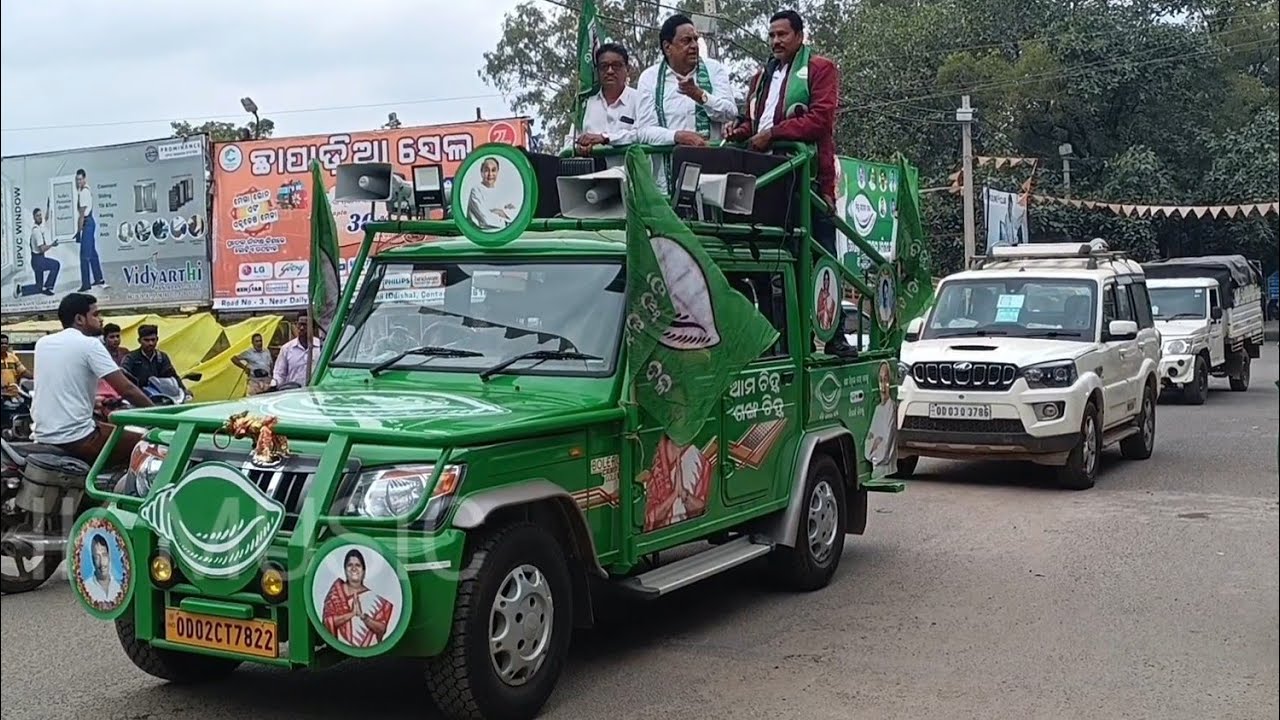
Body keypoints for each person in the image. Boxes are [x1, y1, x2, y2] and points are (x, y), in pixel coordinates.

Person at [727, 9, 853, 355]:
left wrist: (774, 134)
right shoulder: (761, 77)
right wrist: (739, 131)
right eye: (771, 36)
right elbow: (752, 125)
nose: (776, 41)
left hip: (808, 181)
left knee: (820, 258)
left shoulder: (820, 68)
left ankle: (834, 336)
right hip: (768, 179)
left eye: (782, 34)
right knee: (770, 261)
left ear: (799, 36)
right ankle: (777, 341)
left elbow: (820, 120)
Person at [31, 293, 153, 469]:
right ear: (80, 319)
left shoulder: (42, 343)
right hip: (78, 437)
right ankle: (122, 492)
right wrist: (161, 415)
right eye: (95, 315)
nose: (101, 320)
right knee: (147, 444)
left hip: (42, 434)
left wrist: (93, 401)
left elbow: (63, 383)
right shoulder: (90, 345)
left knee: (108, 427)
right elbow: (126, 389)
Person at [634, 13, 740, 191]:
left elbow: (730, 112)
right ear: (668, 47)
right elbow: (644, 131)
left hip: (712, 174)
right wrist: (678, 136)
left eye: (695, 40)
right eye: (686, 41)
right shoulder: (650, 78)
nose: (694, 46)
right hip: (666, 180)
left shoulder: (714, 70)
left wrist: (700, 95)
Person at [571, 42, 640, 168]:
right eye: (604, 66)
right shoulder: (585, 104)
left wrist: (605, 138)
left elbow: (643, 134)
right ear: (597, 71)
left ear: (627, 69)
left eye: (616, 66)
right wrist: (579, 146)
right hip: (591, 177)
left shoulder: (640, 100)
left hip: (630, 177)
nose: (610, 71)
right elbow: (570, 140)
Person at [321, 548, 394, 647]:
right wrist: (351, 614)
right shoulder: (336, 593)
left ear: (364, 571)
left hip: (370, 652)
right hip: (339, 651)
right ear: (345, 569)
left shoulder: (377, 599)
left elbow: (382, 628)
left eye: (358, 565)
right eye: (350, 565)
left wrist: (363, 617)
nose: (353, 568)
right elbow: (327, 622)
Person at [121, 324, 190, 401]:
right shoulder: (131, 357)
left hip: (162, 396)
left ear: (157, 339)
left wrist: (184, 390)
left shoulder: (162, 357)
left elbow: (172, 375)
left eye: (153, 340)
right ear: (139, 341)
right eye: (146, 340)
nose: (150, 343)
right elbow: (124, 376)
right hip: (139, 397)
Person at [13, 206, 59, 298]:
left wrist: (49, 209)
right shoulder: (36, 232)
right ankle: (49, 287)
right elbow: (42, 249)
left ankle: (20, 289)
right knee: (56, 265)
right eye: (37, 216)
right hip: (39, 261)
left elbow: (45, 220)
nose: (40, 217)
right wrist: (52, 245)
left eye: (40, 215)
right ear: (33, 217)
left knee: (38, 287)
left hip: (35, 261)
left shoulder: (38, 227)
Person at [74, 169, 107, 292]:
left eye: (80, 179)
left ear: (85, 179)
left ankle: (86, 284)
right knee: (92, 252)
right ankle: (99, 278)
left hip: (87, 223)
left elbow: (81, 215)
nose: (79, 181)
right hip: (90, 222)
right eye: (77, 179)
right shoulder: (85, 190)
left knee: (84, 256)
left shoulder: (83, 193)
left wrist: (78, 232)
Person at [465, 158, 517, 230]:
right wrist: (504, 218)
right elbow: (485, 220)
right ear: (481, 172)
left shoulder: (501, 192)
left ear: (497, 172)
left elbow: (515, 213)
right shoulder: (476, 191)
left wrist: (499, 212)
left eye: (493, 170)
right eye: (486, 170)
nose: (490, 174)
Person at [272, 314, 313, 389]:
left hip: (315, 393)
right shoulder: (286, 348)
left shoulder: (320, 347)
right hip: (294, 393)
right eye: (299, 324)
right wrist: (275, 385)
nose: (301, 328)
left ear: (312, 327)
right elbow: (279, 374)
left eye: (305, 325)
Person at [84, 533, 123, 605]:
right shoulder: (86, 588)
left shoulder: (118, 586)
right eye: (97, 557)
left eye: (104, 555)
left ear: (109, 557)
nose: (102, 562)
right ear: (92, 560)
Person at [1, 333, 33, 398]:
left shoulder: (13, 358)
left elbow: (23, 372)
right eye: (1, 343)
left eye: (5, 343)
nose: (4, 345)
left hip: (13, 392)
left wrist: (36, 377)